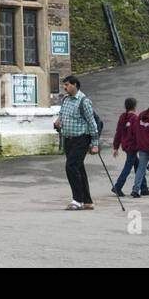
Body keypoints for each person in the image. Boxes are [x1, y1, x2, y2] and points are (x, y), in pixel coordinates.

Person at [53, 75, 99, 210]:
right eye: (64, 85)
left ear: (75, 85)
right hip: (68, 139)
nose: (65, 87)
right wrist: (58, 121)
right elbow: (62, 114)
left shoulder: (84, 101)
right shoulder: (66, 100)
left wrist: (95, 144)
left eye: (67, 85)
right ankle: (87, 201)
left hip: (81, 139)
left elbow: (92, 123)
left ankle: (77, 200)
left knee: (71, 167)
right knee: (79, 168)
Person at [111, 97, 146, 197]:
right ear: (134, 106)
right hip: (132, 146)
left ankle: (143, 187)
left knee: (138, 165)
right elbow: (137, 134)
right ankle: (118, 186)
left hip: (125, 145)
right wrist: (142, 145)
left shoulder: (123, 116)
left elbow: (118, 132)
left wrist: (115, 147)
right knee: (128, 166)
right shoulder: (135, 118)